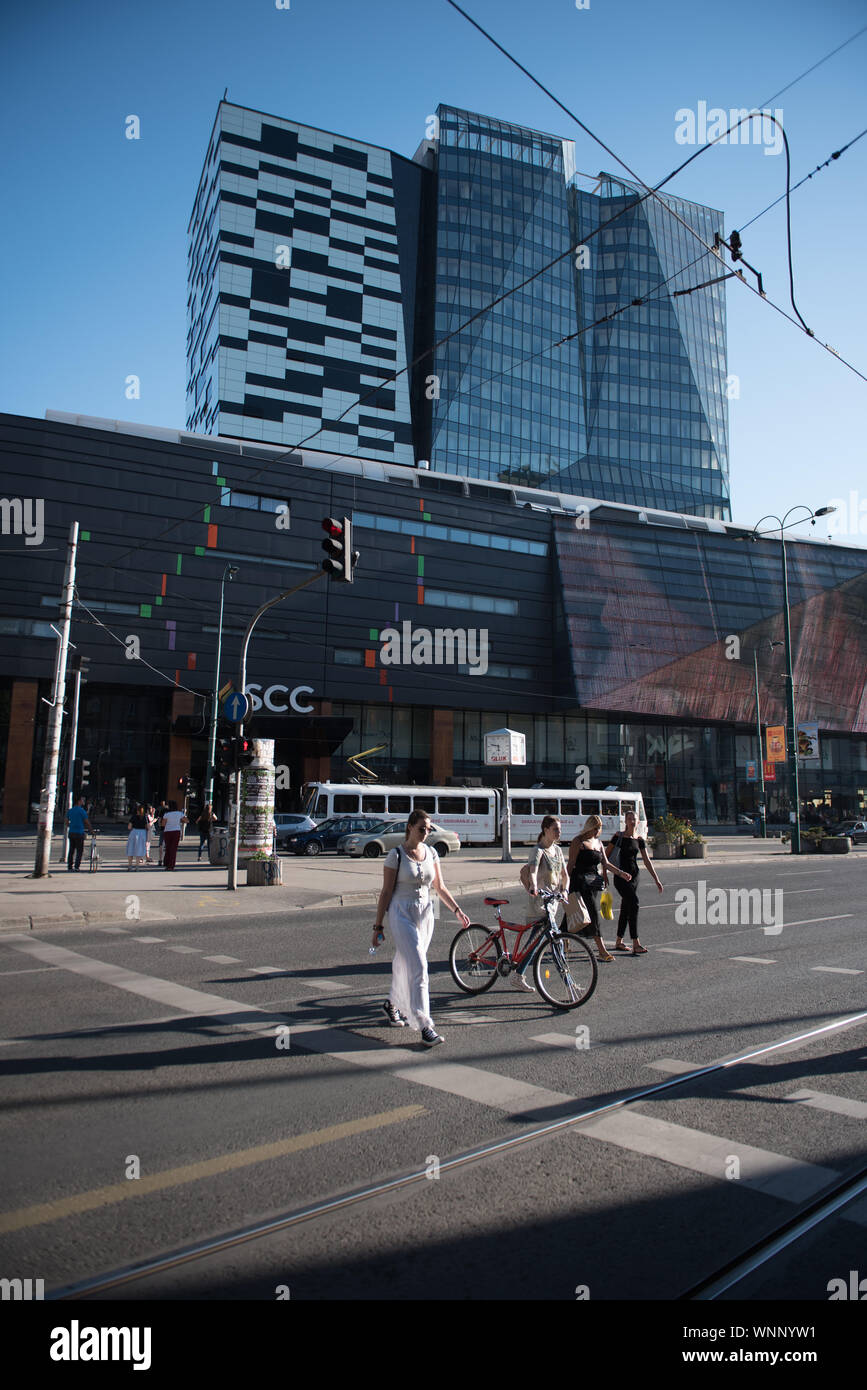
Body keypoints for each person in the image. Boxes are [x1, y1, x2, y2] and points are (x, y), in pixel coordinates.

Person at [371, 808, 470, 1047]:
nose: (426, 832)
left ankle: (392, 1003)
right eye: (421, 828)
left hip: (426, 913)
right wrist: (378, 926)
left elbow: (440, 887)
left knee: (407, 961)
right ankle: (425, 1025)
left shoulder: (432, 853)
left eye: (428, 828)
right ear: (410, 827)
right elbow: (385, 892)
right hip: (401, 912)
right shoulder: (395, 855)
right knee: (419, 965)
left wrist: (457, 911)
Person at [513, 815, 569, 992]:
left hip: (552, 903)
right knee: (553, 944)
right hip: (539, 904)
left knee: (535, 944)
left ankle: (517, 976)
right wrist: (534, 887)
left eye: (559, 829)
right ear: (545, 830)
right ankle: (568, 983)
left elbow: (565, 875)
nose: (559, 832)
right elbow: (532, 871)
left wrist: (564, 890)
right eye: (555, 829)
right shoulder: (537, 851)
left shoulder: (558, 851)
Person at [566, 814, 632, 962]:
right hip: (579, 882)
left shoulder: (599, 843)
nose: (598, 831)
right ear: (589, 827)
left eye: (599, 828)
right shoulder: (578, 841)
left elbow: (606, 863)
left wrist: (621, 873)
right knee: (592, 914)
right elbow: (570, 864)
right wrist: (563, 884)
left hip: (593, 883)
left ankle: (563, 939)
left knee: (574, 912)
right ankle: (602, 950)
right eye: (596, 828)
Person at [608, 809, 663, 955]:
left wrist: (656, 879)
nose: (632, 821)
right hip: (620, 877)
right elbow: (605, 857)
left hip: (634, 876)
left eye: (634, 819)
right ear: (625, 821)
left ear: (638, 822)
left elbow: (646, 860)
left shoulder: (639, 839)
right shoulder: (618, 836)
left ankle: (619, 941)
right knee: (634, 903)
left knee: (626, 907)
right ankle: (636, 942)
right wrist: (605, 875)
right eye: (629, 819)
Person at [65, 796, 93, 872]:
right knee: (79, 851)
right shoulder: (82, 811)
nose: (83, 801)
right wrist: (91, 831)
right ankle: (77, 866)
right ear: (78, 801)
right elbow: (87, 822)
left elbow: (66, 823)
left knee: (71, 850)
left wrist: (71, 825)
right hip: (79, 833)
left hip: (71, 832)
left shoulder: (70, 811)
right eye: (82, 800)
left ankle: (69, 866)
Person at [160, 801, 186, 870]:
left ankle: (166, 862)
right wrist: (180, 821)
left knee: (168, 848)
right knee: (173, 849)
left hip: (167, 831)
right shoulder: (180, 813)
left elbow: (163, 824)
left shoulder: (167, 814)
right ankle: (171, 865)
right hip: (176, 831)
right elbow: (186, 820)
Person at [126, 805, 149, 869]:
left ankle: (130, 865)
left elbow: (129, 827)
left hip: (134, 832)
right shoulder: (145, 817)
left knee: (131, 849)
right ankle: (137, 866)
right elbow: (148, 827)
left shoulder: (133, 817)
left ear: (137, 810)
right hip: (142, 833)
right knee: (139, 849)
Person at [155, 799, 169, 865]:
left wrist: (160, 825)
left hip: (163, 829)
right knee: (167, 845)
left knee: (161, 845)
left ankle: (160, 860)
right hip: (169, 829)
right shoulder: (170, 811)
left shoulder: (162, 810)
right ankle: (166, 859)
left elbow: (159, 820)